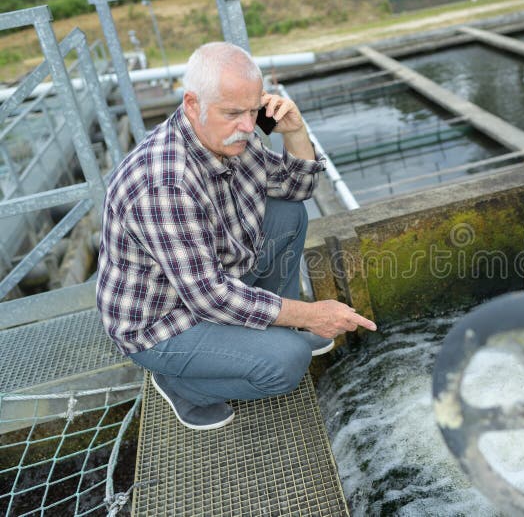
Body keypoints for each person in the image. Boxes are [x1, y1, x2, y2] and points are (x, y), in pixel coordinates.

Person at [96, 41, 376, 430]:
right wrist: (312, 314)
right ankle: (182, 385)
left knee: (287, 213)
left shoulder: (232, 131)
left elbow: (295, 190)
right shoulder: (164, 183)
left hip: (212, 282)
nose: (248, 126)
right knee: (286, 364)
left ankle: (274, 332)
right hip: (165, 323)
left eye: (253, 110)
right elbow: (209, 297)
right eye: (233, 113)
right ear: (192, 104)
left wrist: (295, 131)